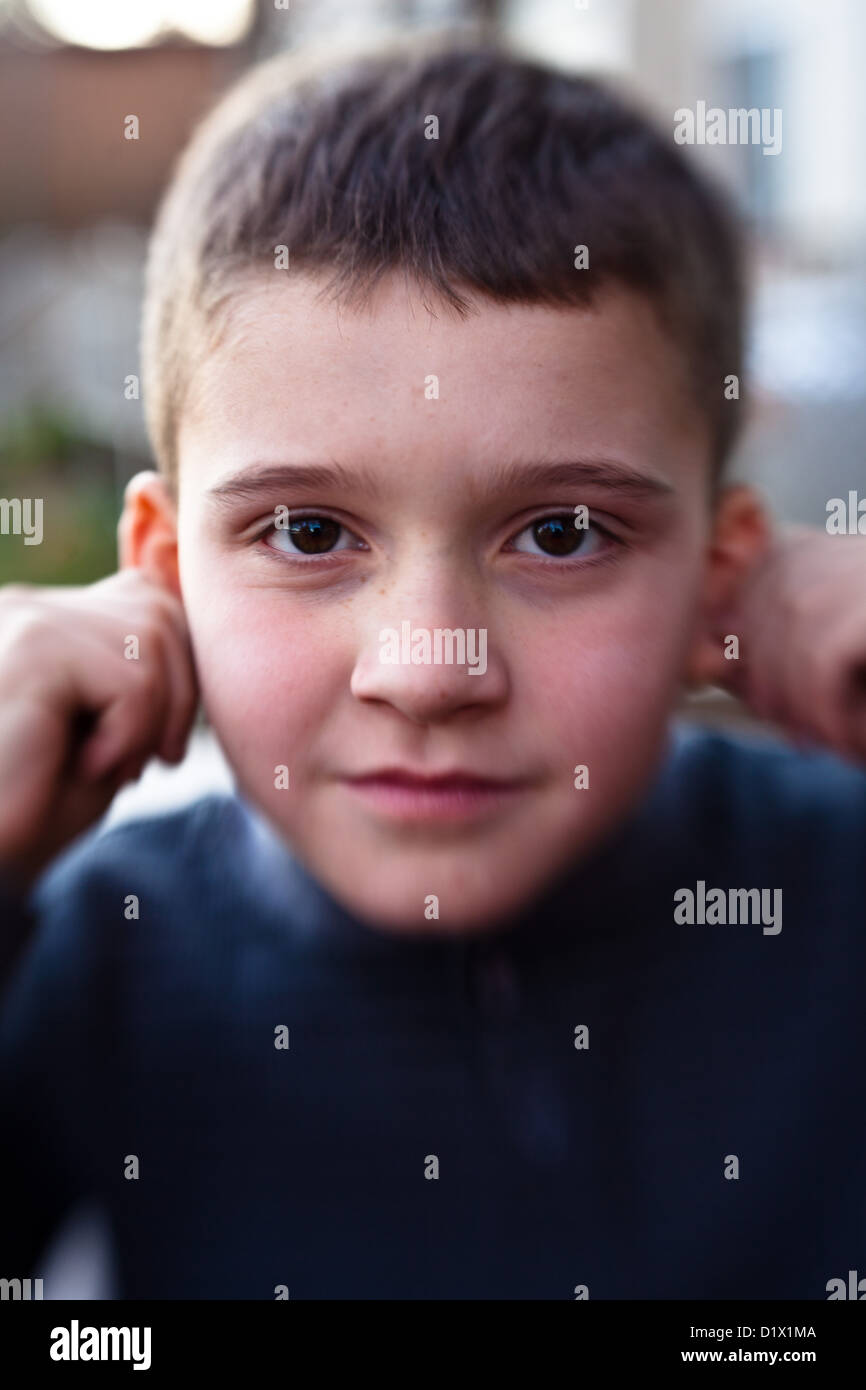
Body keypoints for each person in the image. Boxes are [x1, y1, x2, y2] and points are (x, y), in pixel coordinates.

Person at [2, 35, 865, 1300]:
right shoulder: (98, 957)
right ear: (165, 576)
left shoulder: (838, 893)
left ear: (716, 579)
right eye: (307, 533)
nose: (426, 670)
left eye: (561, 533)